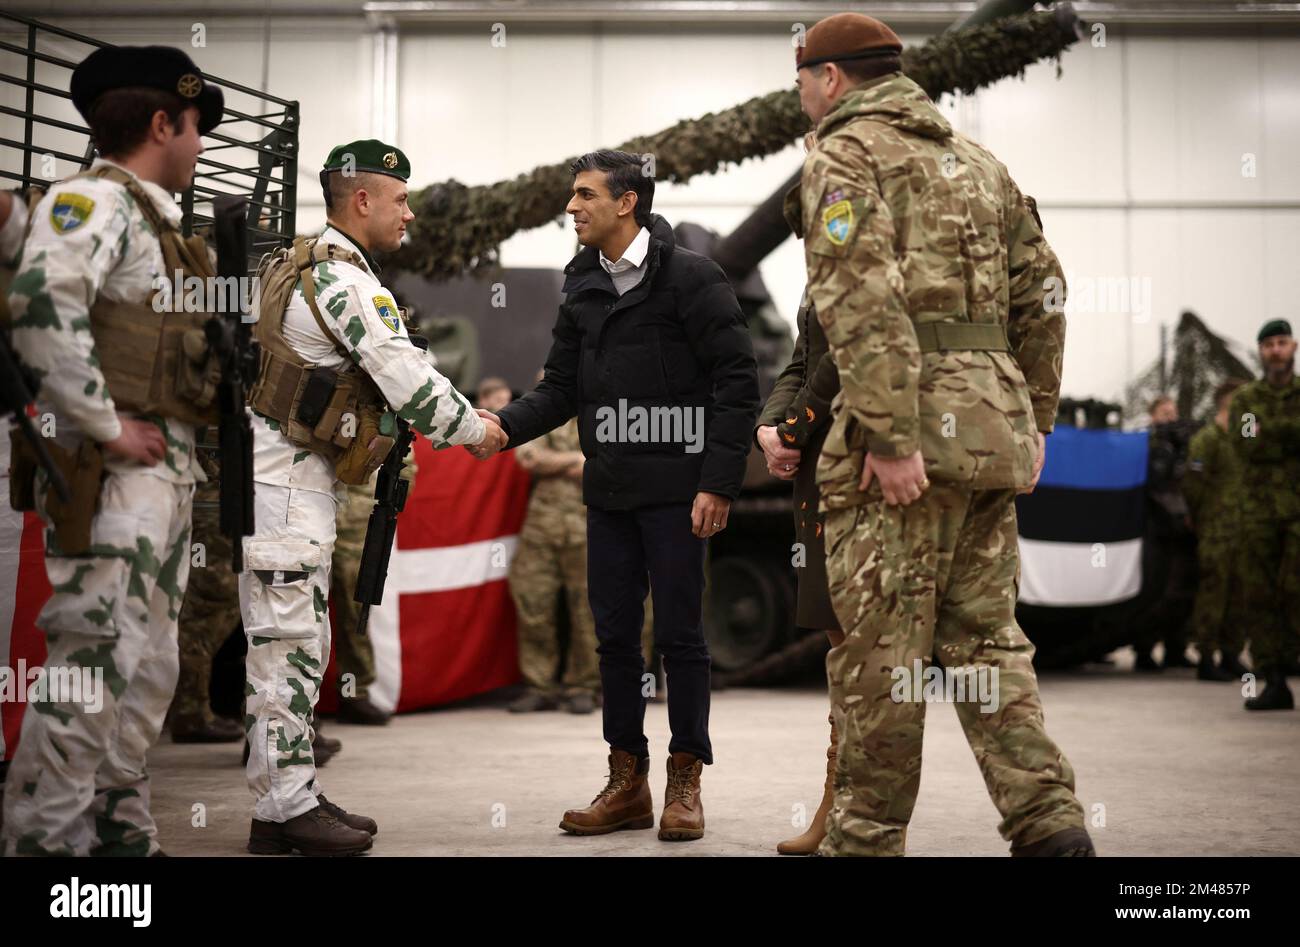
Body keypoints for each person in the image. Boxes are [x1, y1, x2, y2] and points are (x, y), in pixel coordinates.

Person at [796, 12, 1092, 856]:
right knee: (986, 645)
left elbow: (860, 302)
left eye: (804, 83)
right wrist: (1034, 422)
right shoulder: (983, 166)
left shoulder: (845, 156)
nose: (803, 99)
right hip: (992, 435)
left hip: (910, 443)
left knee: (882, 662)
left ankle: (867, 840)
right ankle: (1051, 824)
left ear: (832, 80)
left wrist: (888, 438)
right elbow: (1048, 298)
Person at [480, 149, 759, 842]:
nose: (571, 208)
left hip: (677, 494)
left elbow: (736, 381)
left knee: (681, 638)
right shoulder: (581, 284)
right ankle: (627, 780)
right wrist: (502, 426)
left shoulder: (692, 278)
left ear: (626, 201)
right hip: (607, 495)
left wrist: (718, 481)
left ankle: (685, 778)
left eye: (583, 195)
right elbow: (563, 388)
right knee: (614, 642)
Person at [238, 139, 505, 856]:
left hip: (283, 481)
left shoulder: (294, 261)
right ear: (362, 200)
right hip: (286, 489)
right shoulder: (345, 281)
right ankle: (288, 809)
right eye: (400, 200)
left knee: (287, 643)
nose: (409, 214)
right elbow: (408, 378)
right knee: (288, 648)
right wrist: (476, 429)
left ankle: (281, 803)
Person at [2, 45, 222, 856]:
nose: (199, 145)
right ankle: (43, 844)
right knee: (93, 659)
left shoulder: (154, 220)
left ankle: (116, 829)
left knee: (147, 662)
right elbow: (39, 308)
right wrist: (103, 424)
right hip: (116, 474)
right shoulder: (94, 202)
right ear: (162, 123)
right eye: (196, 126)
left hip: (161, 473)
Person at [756, 276, 845, 855]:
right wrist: (770, 427)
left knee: (862, 645)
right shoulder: (823, 267)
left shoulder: (871, 247)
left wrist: (793, 430)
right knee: (844, 640)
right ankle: (843, 804)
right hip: (818, 460)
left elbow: (841, 360)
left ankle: (853, 806)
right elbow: (801, 360)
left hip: (852, 451)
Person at [507, 415, 601, 714]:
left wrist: (559, 463)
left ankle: (583, 685)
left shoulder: (607, 413)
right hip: (541, 529)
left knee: (588, 610)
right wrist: (577, 459)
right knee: (533, 601)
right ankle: (539, 686)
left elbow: (611, 463)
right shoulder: (547, 416)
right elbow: (529, 457)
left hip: (590, 527)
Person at [1230, 319, 1299, 711]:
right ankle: (1274, 681)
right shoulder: (1245, 400)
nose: (1275, 350)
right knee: (1260, 597)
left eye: (1282, 342)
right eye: (1269, 344)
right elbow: (1246, 443)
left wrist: (1268, 432)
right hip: (1257, 515)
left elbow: (1259, 436)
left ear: (1293, 346)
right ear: (1260, 351)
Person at [1183, 379, 1250, 682]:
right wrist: (1197, 518)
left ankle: (1231, 653)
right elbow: (1193, 486)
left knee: (1240, 593)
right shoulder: (1207, 439)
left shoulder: (1243, 439)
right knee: (1213, 592)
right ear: (1227, 402)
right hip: (1215, 529)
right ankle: (1206, 656)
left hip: (1244, 528)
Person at [1134, 396, 1199, 671]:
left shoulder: (1185, 444)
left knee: (1182, 591)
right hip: (1156, 530)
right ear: (1152, 416)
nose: (1170, 418)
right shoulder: (1148, 444)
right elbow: (1158, 486)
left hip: (1182, 532)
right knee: (1156, 592)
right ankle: (1145, 651)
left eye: (1173, 412)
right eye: (1164, 413)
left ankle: (1176, 648)